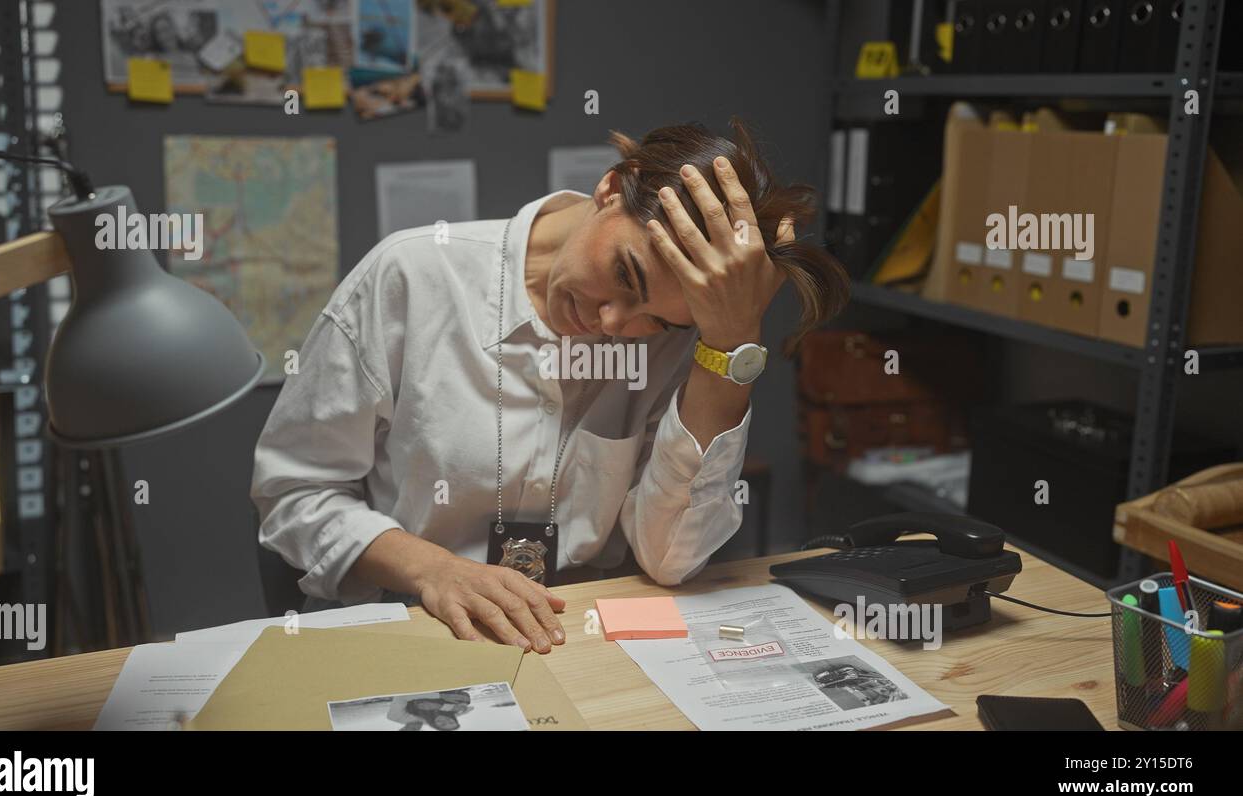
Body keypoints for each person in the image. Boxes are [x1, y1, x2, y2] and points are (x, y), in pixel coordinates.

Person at [252, 118, 849, 654]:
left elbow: (671, 558)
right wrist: (433, 570)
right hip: (409, 624)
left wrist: (729, 343)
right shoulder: (412, 276)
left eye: (660, 320)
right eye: (624, 274)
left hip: (576, 637)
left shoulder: (684, 340)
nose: (616, 325)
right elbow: (294, 492)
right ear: (613, 188)